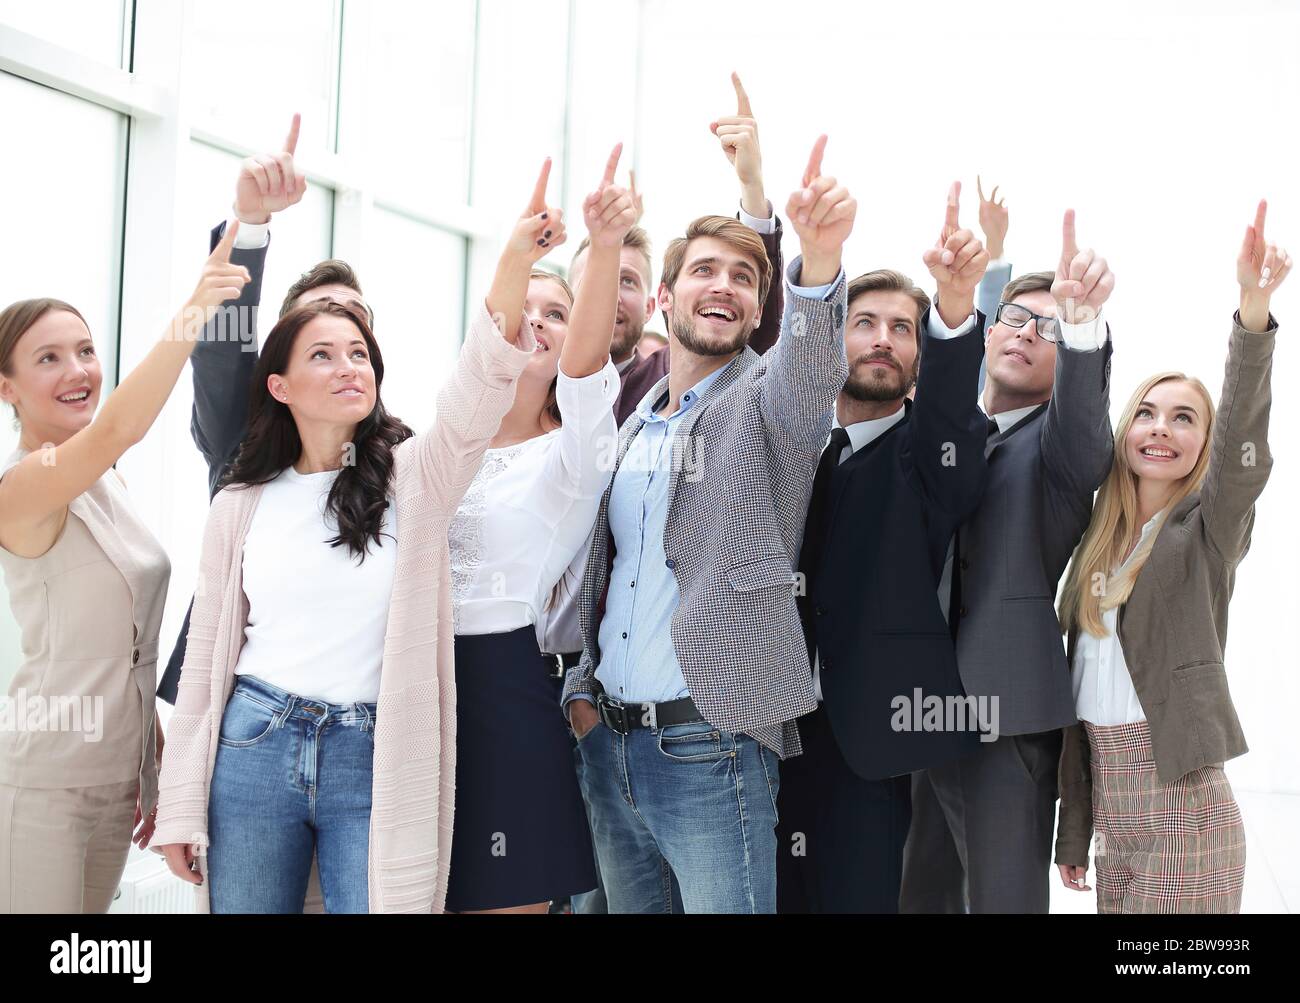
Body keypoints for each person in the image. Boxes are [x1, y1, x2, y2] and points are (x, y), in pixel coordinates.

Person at [150, 168, 550, 914]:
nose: (348, 364)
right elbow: (206, 668)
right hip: (253, 746)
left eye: (359, 349)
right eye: (323, 351)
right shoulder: (240, 496)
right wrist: (179, 803)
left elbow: (477, 387)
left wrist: (514, 265)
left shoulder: (416, 477)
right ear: (279, 382)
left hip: (372, 753)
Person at [562, 135, 856, 913]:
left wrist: (819, 265)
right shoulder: (633, 431)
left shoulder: (769, 410)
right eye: (703, 270)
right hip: (610, 746)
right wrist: (581, 697)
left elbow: (811, 369)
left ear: (760, 309)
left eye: (742, 277)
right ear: (666, 297)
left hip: (710, 747)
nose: (722, 286)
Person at [0, 226, 250, 912]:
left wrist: (152, 760)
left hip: (118, 777)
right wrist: (196, 310)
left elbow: (125, 644)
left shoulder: (108, 483)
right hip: (45, 782)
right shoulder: (20, 487)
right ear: (7, 388)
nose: (77, 370)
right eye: (48, 358)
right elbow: (117, 426)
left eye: (84, 350)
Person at [1054, 201, 1287, 913]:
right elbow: (1085, 700)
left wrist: (1251, 312)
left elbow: (1244, 451)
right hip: (1112, 807)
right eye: (1148, 413)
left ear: (1206, 445)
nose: (1161, 428)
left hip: (1183, 796)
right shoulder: (1098, 535)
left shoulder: (1209, 530)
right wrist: (1076, 831)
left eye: (1184, 417)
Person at [777, 184, 990, 913]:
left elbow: (952, 421)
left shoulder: (930, 458)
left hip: (870, 742)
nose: (881, 339)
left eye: (904, 328)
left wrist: (954, 305)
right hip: (771, 730)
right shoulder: (796, 449)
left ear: (921, 354)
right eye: (863, 322)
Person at [900, 210, 1116, 914]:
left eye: (1050, 330)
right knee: (915, 896)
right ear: (989, 328)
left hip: (1007, 721)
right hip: (911, 712)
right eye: (1017, 317)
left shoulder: (1060, 457)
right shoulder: (941, 430)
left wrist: (1083, 326)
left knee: (1003, 903)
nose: (1028, 332)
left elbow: (1084, 419)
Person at [444, 148, 634, 914]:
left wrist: (606, 245)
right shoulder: (444, 441)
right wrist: (516, 256)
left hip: (503, 687)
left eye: (559, 313)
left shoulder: (574, 453)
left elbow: (587, 368)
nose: (540, 323)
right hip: (407, 682)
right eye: (531, 305)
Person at [156, 113, 361, 707]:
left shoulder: (399, 459)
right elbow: (222, 348)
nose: (339, 333)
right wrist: (249, 224)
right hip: (235, 724)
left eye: (355, 327)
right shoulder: (241, 437)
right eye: (318, 323)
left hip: (359, 739)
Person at [568, 73, 786, 427]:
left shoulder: (681, 370)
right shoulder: (534, 388)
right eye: (597, 278)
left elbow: (747, 328)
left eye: (627, 281)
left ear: (657, 301)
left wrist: (752, 186)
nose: (611, 296)